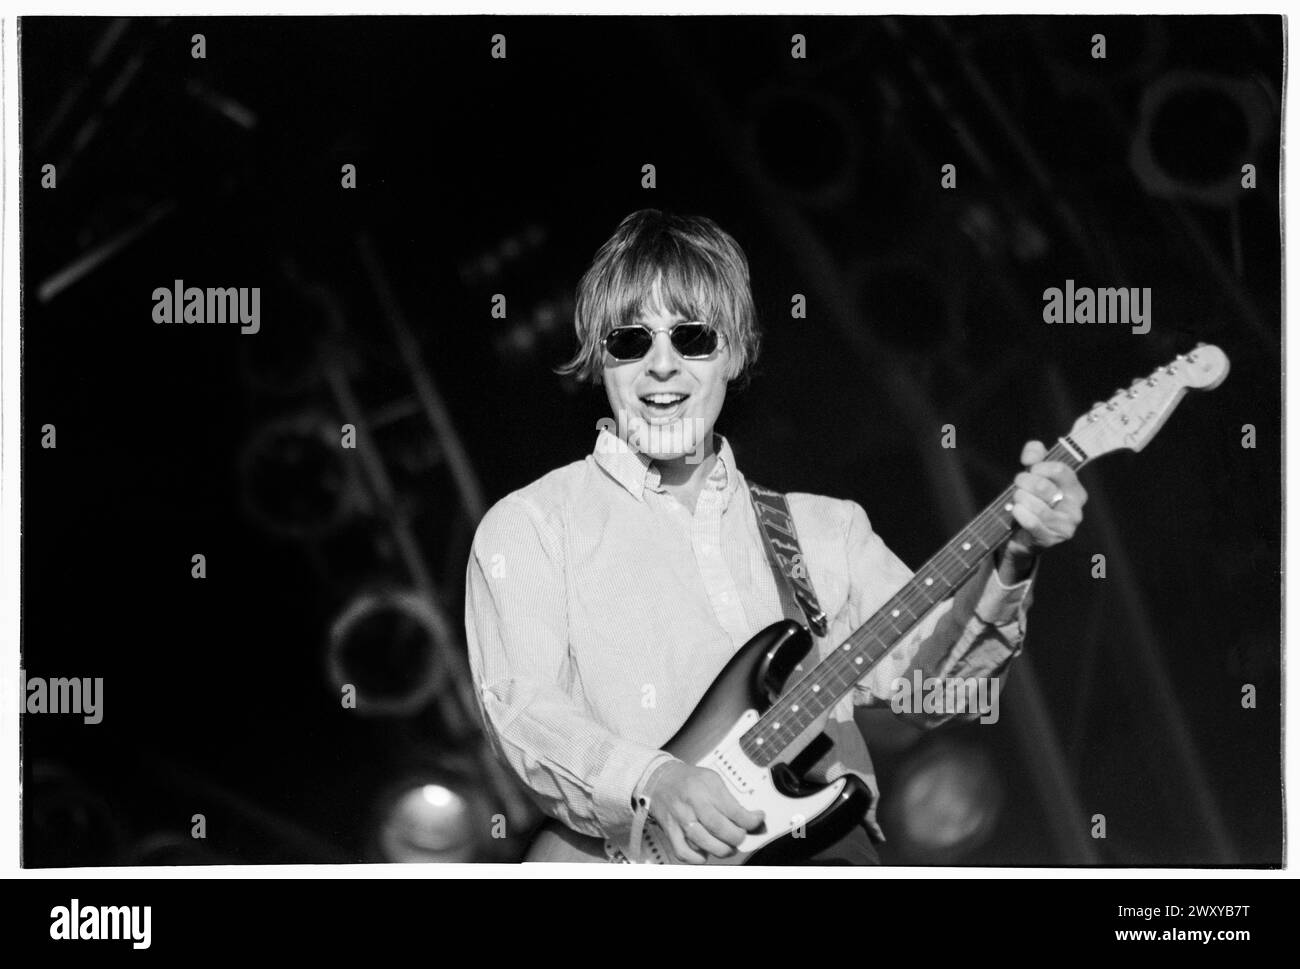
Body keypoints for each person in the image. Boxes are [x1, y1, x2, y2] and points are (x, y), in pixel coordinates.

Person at [464, 209, 1087, 864]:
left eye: (693, 337)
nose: (662, 366)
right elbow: (524, 713)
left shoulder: (824, 530)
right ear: (599, 356)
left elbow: (930, 694)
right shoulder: (533, 525)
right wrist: (654, 782)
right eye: (630, 341)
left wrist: (1015, 556)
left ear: (735, 350)